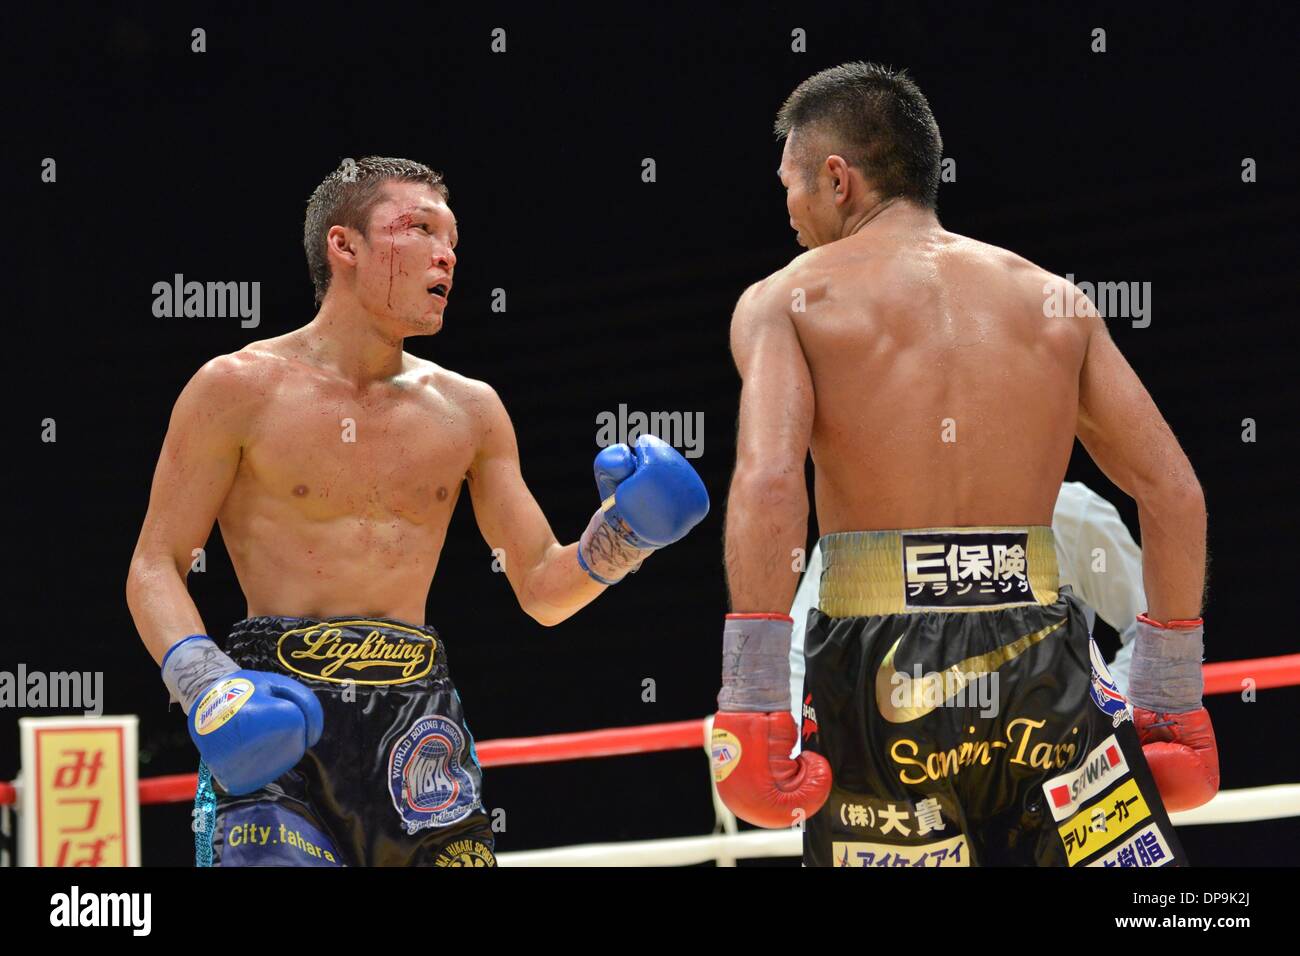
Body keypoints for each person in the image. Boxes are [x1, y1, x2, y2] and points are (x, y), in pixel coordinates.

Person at [126, 157, 708, 867]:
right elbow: (154, 564)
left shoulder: (470, 410)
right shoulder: (236, 389)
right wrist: (208, 687)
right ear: (345, 246)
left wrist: (625, 537)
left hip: (417, 730)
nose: (446, 255)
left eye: (453, 240)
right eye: (419, 229)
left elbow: (542, 590)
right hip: (275, 721)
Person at [709, 64, 1217, 867]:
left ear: (837, 178)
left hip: (882, 674)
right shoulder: (1053, 299)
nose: (790, 214)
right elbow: (1174, 490)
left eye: (791, 186)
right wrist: (1169, 695)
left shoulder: (786, 300)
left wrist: (753, 697)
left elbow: (771, 482)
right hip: (1042, 664)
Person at [788, 480, 1146, 747]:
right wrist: (804, 752)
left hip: (1043, 761)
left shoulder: (1070, 511)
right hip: (906, 768)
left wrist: (1097, 714)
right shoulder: (859, 526)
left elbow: (1146, 626)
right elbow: (797, 654)